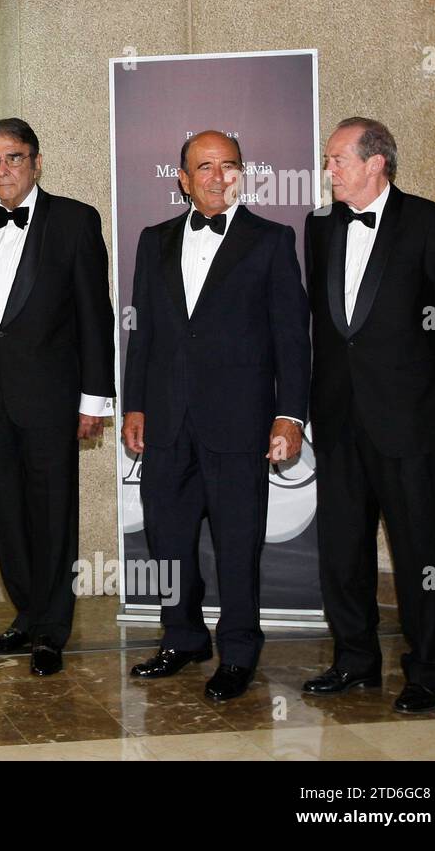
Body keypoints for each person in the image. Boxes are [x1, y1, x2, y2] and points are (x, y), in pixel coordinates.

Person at [121, 130, 311, 702]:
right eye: (204, 166)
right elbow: (143, 333)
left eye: (228, 165)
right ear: (183, 179)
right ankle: (182, 638)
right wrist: (135, 403)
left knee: (237, 544)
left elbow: (292, 339)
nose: (217, 175)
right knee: (168, 541)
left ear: (241, 174)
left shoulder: (272, 240)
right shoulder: (152, 241)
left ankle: (239, 652)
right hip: (167, 424)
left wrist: (290, 415)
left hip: (240, 423)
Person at [302, 117, 435, 714]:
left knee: (419, 553)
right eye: (329, 160)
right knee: (342, 548)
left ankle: (430, 669)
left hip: (405, 421)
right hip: (338, 419)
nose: (329, 171)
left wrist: (428, 395)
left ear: (376, 162)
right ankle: (355, 660)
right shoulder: (319, 226)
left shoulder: (428, 221)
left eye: (338, 160)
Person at [0, 118, 114, 677]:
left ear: (37, 162)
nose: (4, 170)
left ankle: (52, 628)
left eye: (14, 158)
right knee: (8, 513)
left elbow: (96, 315)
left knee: (52, 513)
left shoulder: (74, 220)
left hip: (53, 398)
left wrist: (95, 399)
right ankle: (25, 615)